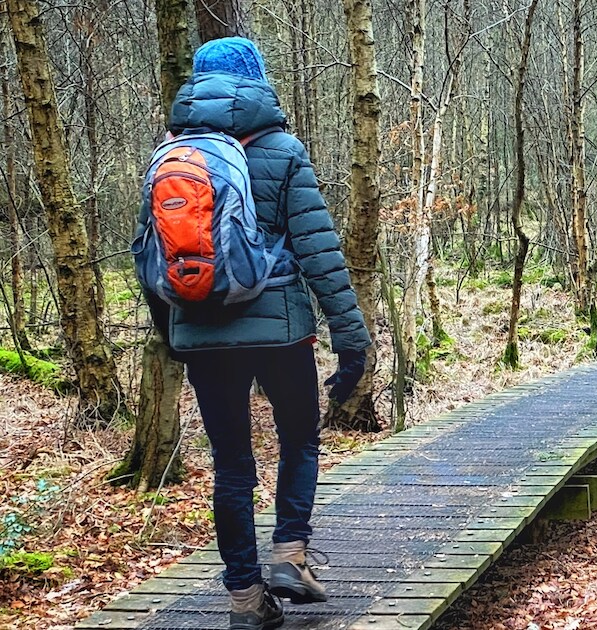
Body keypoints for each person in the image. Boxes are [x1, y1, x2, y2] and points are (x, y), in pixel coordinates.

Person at [138, 37, 371, 630]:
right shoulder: (283, 149)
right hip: (282, 331)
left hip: (201, 332)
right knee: (299, 441)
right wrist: (351, 339)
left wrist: (173, 333)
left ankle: (245, 597)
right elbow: (320, 252)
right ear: (257, 81)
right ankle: (291, 554)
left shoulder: (170, 156)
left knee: (233, 465)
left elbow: (150, 258)